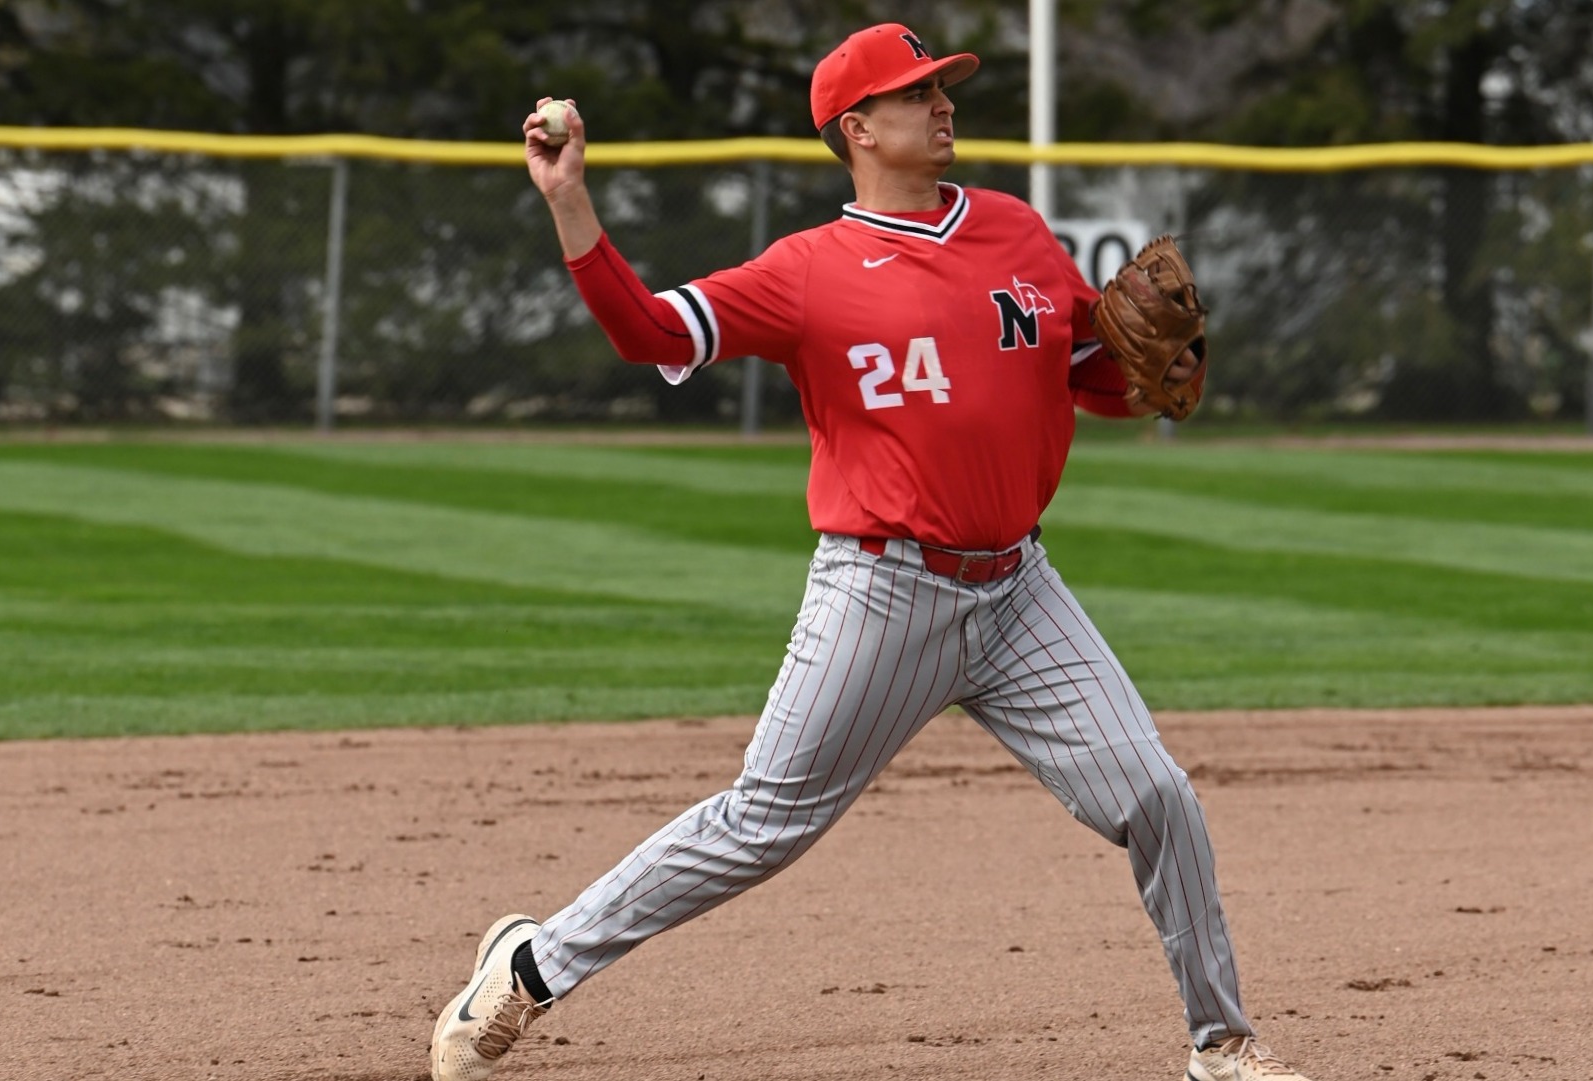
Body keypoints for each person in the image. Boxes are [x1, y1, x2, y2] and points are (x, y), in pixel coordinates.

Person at [429, 22, 1313, 1081]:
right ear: (858, 128)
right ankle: (528, 967)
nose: (941, 106)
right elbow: (650, 333)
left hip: (1021, 590)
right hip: (883, 591)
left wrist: (1151, 375)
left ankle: (1220, 1045)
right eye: (914, 94)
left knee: (1157, 796)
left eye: (942, 88)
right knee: (761, 824)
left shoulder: (1018, 234)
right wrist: (570, 200)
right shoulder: (807, 271)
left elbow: (1099, 378)